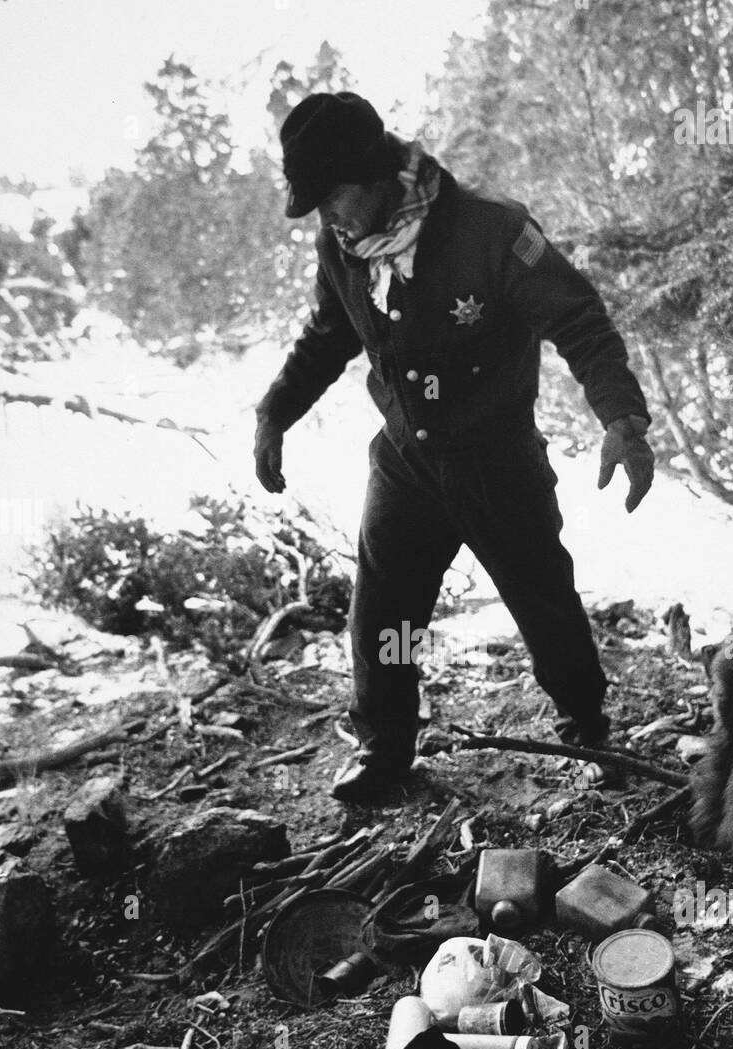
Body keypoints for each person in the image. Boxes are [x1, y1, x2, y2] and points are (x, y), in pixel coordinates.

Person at [254, 92, 655, 802]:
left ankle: (587, 728)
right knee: (386, 613)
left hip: (498, 462)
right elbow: (329, 336)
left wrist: (622, 419)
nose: (327, 216)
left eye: (333, 196)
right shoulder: (342, 246)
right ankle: (386, 747)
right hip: (407, 463)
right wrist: (275, 412)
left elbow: (580, 322)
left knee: (542, 600)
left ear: (375, 174)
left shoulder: (492, 232)